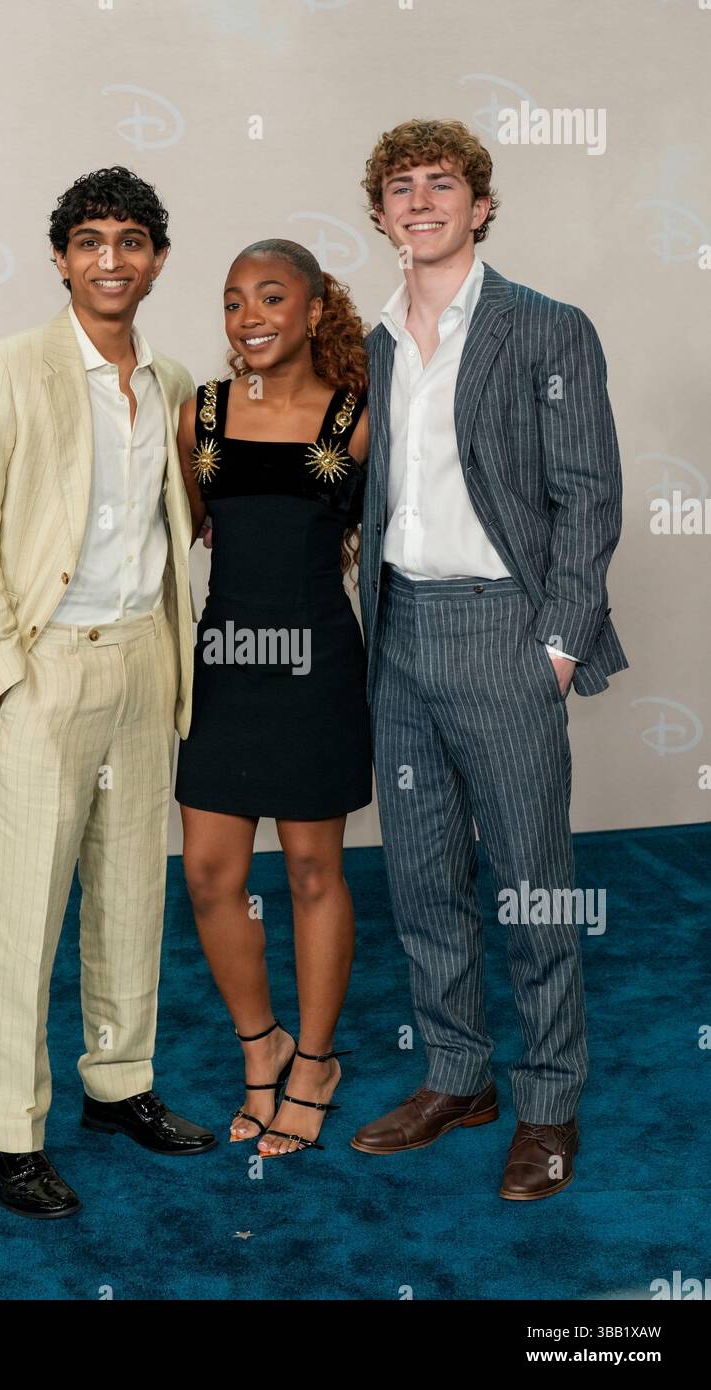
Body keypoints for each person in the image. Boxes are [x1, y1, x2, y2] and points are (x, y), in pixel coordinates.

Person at [0, 166, 215, 1219]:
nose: (111, 260)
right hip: (45, 668)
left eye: (131, 240)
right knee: (27, 908)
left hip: (142, 663)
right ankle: (7, 1133)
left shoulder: (172, 382)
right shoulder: (3, 368)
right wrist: (7, 676)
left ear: (157, 260)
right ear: (60, 257)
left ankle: (118, 1085)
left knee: (132, 892)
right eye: (90, 241)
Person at [352, 120, 627, 1199]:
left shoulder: (545, 328)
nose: (419, 201)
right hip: (397, 632)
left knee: (531, 885)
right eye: (399, 187)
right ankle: (456, 1074)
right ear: (379, 212)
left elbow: (588, 497)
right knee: (420, 876)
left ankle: (547, 1102)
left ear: (478, 205)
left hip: (503, 632)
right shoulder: (365, 341)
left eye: (441, 183)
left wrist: (553, 645)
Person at [174, 240, 372, 1156]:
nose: (249, 316)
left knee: (309, 873)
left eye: (271, 296)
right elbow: (194, 528)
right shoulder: (200, 418)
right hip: (226, 664)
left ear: (314, 309)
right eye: (231, 302)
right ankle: (264, 1050)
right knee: (212, 875)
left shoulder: (356, 420)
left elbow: (385, 541)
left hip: (315, 667)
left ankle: (318, 1061)